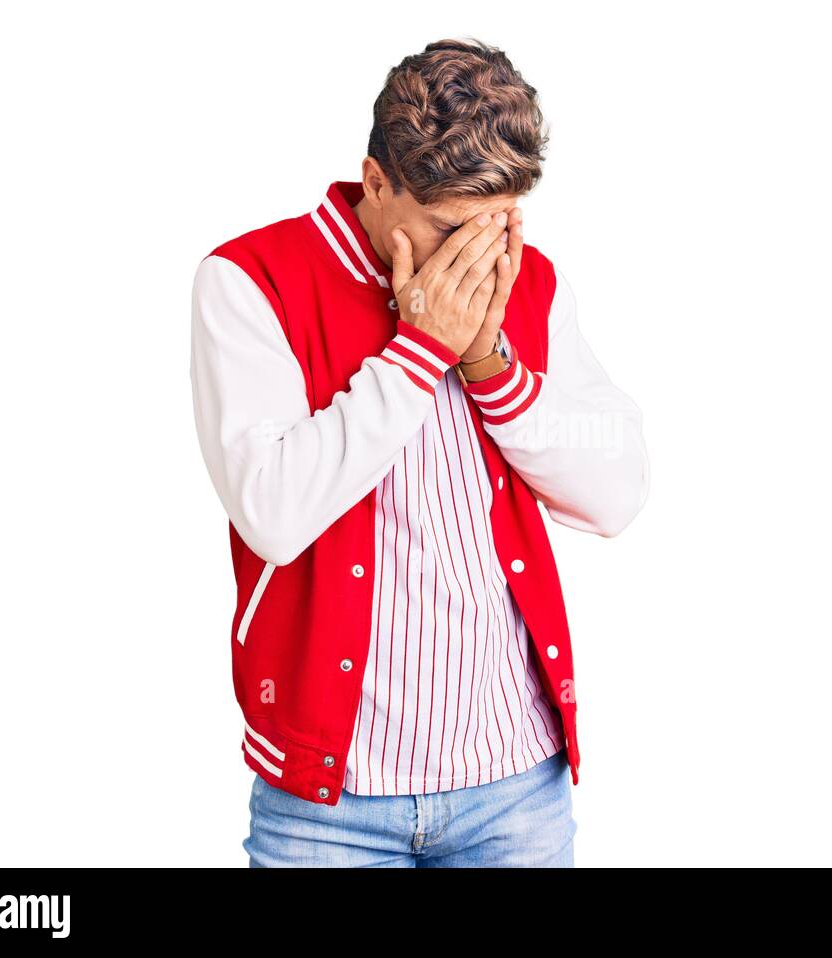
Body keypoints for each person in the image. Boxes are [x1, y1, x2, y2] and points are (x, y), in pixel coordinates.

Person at [190, 38, 649, 867]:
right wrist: (419, 349)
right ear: (377, 183)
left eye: (500, 222)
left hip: (516, 787)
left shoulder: (531, 282)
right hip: (326, 808)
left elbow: (615, 492)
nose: (481, 259)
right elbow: (274, 512)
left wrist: (488, 363)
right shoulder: (251, 281)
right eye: (448, 229)